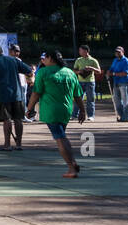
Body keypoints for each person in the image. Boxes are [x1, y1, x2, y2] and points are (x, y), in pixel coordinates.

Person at [27, 50, 85, 178]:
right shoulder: (70, 73)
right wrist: (82, 110)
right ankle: (73, 162)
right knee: (62, 136)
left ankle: (71, 168)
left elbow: (36, 93)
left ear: (50, 58)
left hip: (51, 110)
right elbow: (78, 95)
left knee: (60, 138)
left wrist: (29, 108)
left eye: (44, 58)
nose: (43, 61)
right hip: (66, 110)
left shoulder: (43, 72)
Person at [0, 42, 33, 150]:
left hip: (4, 94)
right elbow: (28, 70)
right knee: (18, 119)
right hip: (17, 94)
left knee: (6, 119)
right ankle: (19, 144)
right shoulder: (13, 60)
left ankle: (7, 144)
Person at [73, 44, 101, 122]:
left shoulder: (93, 60)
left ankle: (91, 116)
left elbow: (99, 71)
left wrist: (91, 68)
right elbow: (74, 70)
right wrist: (79, 71)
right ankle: (74, 115)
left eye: (80, 50)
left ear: (86, 51)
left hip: (90, 82)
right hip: (80, 82)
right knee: (77, 98)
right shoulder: (78, 60)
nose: (79, 52)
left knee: (90, 99)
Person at [108, 46, 128, 122]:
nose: (117, 53)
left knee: (126, 100)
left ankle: (127, 117)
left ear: (123, 52)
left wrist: (113, 74)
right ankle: (121, 116)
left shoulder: (126, 61)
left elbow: (125, 73)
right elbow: (112, 68)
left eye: (119, 52)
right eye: (116, 52)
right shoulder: (115, 60)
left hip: (125, 82)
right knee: (117, 100)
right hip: (116, 82)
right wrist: (109, 72)